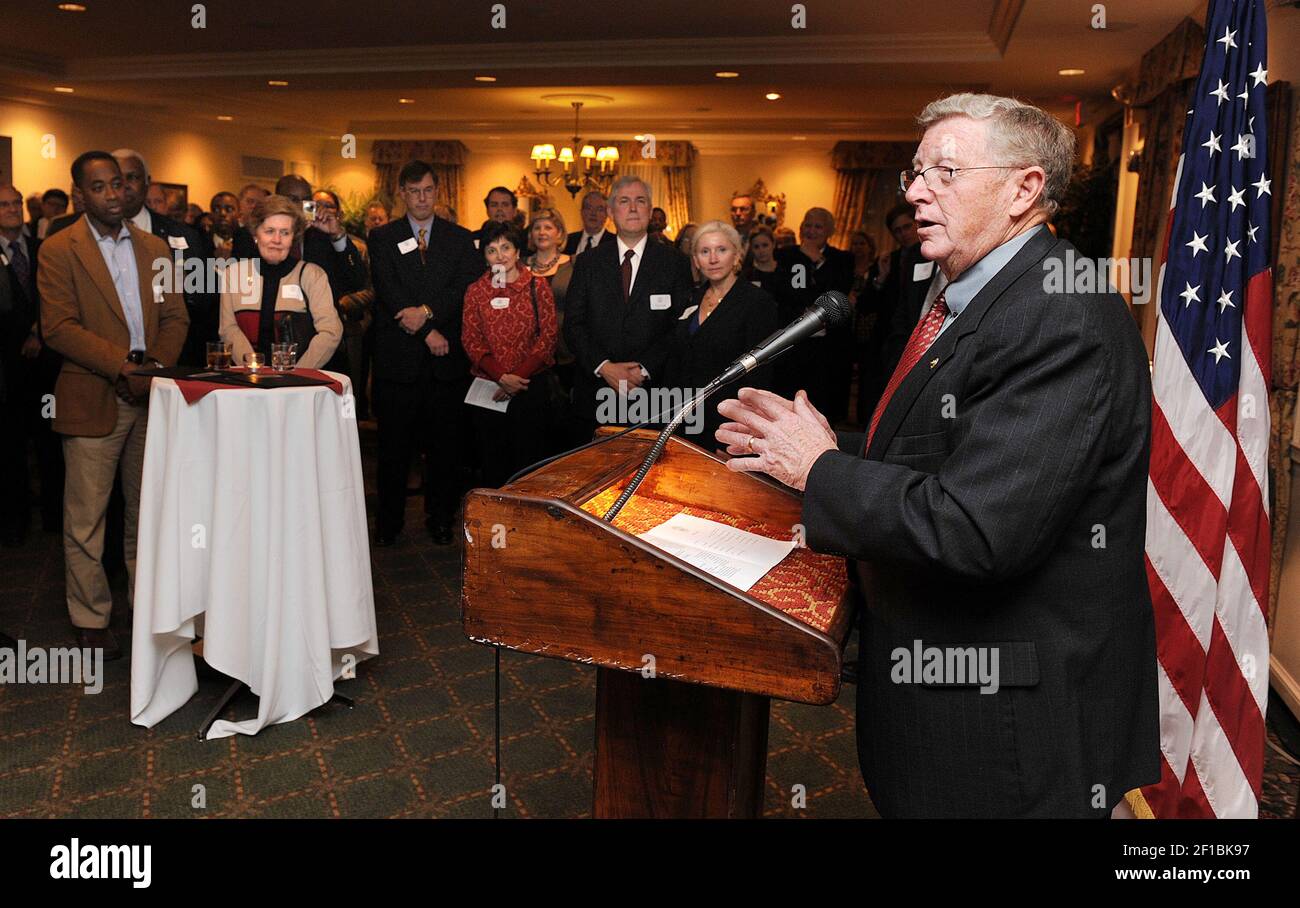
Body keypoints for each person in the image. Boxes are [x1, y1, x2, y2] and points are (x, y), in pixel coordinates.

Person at [714, 93, 1159, 818]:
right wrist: (830, 450)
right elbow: (944, 452)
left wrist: (821, 470)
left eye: (945, 172)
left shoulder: (1056, 315)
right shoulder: (974, 289)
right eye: (916, 173)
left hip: (1007, 726)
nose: (917, 190)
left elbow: (979, 529)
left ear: (1024, 189)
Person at [37, 151, 190, 660]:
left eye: (119, 184)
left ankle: (145, 607)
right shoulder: (60, 249)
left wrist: (150, 372)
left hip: (150, 398)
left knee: (147, 513)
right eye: (99, 187)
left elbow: (176, 319)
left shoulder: (155, 248)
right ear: (80, 193)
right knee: (86, 519)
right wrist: (123, 366)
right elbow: (58, 328)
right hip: (92, 397)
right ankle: (90, 618)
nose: (112, 195)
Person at [368, 160, 484, 546]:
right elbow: (389, 292)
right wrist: (425, 330)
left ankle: (440, 519)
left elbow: (462, 291)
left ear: (438, 192)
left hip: (444, 363)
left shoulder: (460, 238)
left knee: (444, 451)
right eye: (414, 191)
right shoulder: (382, 238)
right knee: (393, 451)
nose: (422, 198)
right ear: (401, 192)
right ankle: (388, 524)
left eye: (429, 190)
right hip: (397, 362)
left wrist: (430, 319)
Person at [562, 175, 693, 440]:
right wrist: (605, 367)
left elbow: (680, 326)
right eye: (624, 201)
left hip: (654, 395)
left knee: (651, 477)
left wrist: (643, 369)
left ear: (650, 209)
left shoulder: (675, 262)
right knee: (595, 475)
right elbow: (573, 324)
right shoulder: (587, 262)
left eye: (640, 201)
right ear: (611, 211)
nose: (633, 208)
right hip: (596, 391)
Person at [461, 221, 558, 486]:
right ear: (484, 256)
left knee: (530, 465)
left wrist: (516, 378)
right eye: (492, 250)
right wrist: (501, 376)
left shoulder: (537, 288)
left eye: (505, 247)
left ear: (517, 252)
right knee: (493, 464)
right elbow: (471, 339)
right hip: (489, 391)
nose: (500, 255)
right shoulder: (476, 292)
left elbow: (548, 337)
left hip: (530, 389)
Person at [664, 221, 777, 447]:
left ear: (737, 255)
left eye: (721, 250)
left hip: (729, 422)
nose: (713, 259)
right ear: (696, 260)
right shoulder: (690, 298)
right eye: (705, 251)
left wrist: (743, 435)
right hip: (685, 419)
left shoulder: (757, 302)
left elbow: (761, 376)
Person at [112, 149, 217, 367]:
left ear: (147, 182)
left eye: (133, 177)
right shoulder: (94, 236)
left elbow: (204, 299)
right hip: (110, 362)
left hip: (173, 359)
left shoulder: (184, 235)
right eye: (118, 180)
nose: (126, 185)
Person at [0, 183, 63, 545]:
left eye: (16, 203)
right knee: (10, 444)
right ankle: (15, 521)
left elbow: (58, 295)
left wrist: (40, 330)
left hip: (47, 362)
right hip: (8, 367)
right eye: (4, 204)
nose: (11, 209)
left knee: (50, 440)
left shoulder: (43, 249)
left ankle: (55, 516)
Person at [218, 194, 342, 370]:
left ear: (293, 237)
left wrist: (297, 374)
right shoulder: (234, 274)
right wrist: (254, 369)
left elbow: (331, 332)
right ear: (255, 234)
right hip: (246, 381)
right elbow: (228, 328)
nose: (276, 240)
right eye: (269, 231)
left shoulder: (312, 275)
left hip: (299, 382)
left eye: (285, 233)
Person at [771, 207, 854, 421]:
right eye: (807, 225)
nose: (811, 230)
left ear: (829, 231)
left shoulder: (842, 259)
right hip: (792, 343)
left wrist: (816, 262)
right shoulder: (785, 256)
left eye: (818, 226)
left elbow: (836, 295)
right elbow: (781, 293)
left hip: (828, 347)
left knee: (823, 403)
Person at [856, 203, 926, 420]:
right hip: (885, 340)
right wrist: (881, 278)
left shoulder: (934, 256)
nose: (903, 234)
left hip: (917, 337)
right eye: (897, 230)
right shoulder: (887, 260)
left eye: (907, 227)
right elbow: (865, 305)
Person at [563, 190, 614, 256]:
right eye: (589, 208)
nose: (593, 213)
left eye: (599, 209)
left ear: (607, 214)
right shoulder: (567, 241)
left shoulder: (615, 243)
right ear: (582, 212)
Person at [741, 224, 783, 298]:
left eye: (765, 245)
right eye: (756, 247)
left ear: (773, 244)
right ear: (751, 249)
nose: (761, 251)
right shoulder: (748, 276)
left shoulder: (785, 270)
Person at [209, 191, 240, 256]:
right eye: (217, 209)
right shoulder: (198, 244)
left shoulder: (248, 244)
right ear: (211, 215)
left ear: (238, 214)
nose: (222, 213)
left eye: (229, 209)